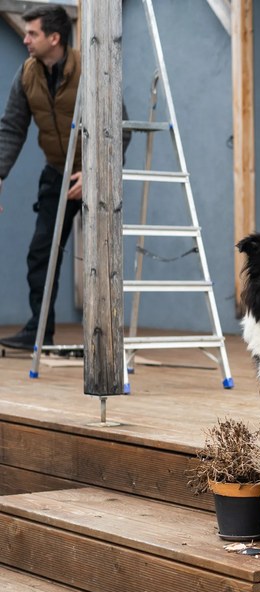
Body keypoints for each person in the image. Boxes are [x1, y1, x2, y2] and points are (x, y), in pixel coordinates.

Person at [0, 6, 127, 350]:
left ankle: (107, 335)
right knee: (41, 252)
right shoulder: (28, 74)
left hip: (97, 173)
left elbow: (120, 128)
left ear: (54, 38)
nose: (25, 39)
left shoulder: (90, 67)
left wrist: (96, 173)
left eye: (32, 34)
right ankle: (38, 331)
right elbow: (11, 128)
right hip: (57, 171)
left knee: (103, 257)